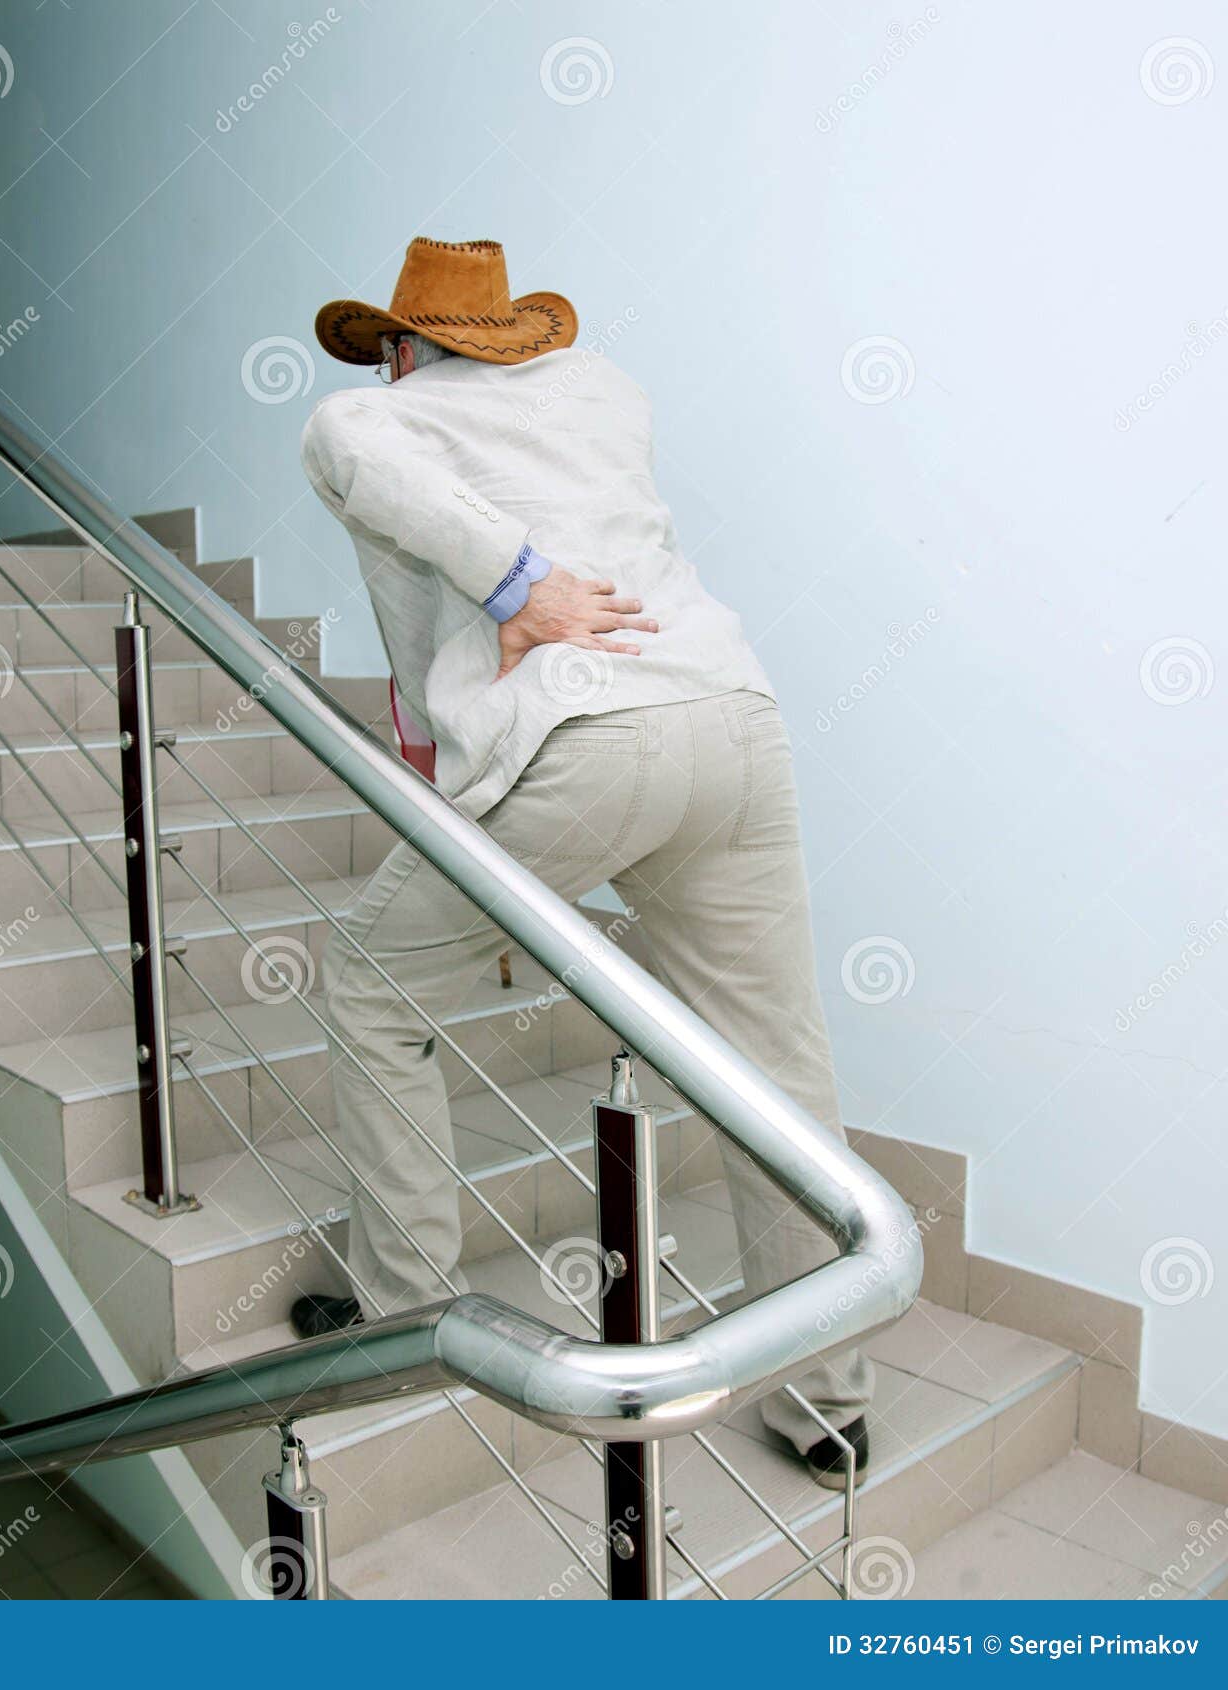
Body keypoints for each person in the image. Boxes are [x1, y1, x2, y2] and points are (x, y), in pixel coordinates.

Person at [291, 236, 873, 1488]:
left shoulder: (382, 416)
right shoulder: (604, 390)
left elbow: (347, 444)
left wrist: (520, 587)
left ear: (404, 348)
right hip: (731, 720)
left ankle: (405, 1319)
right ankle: (825, 1397)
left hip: (584, 739)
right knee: (771, 1062)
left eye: (386, 354)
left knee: (369, 986)